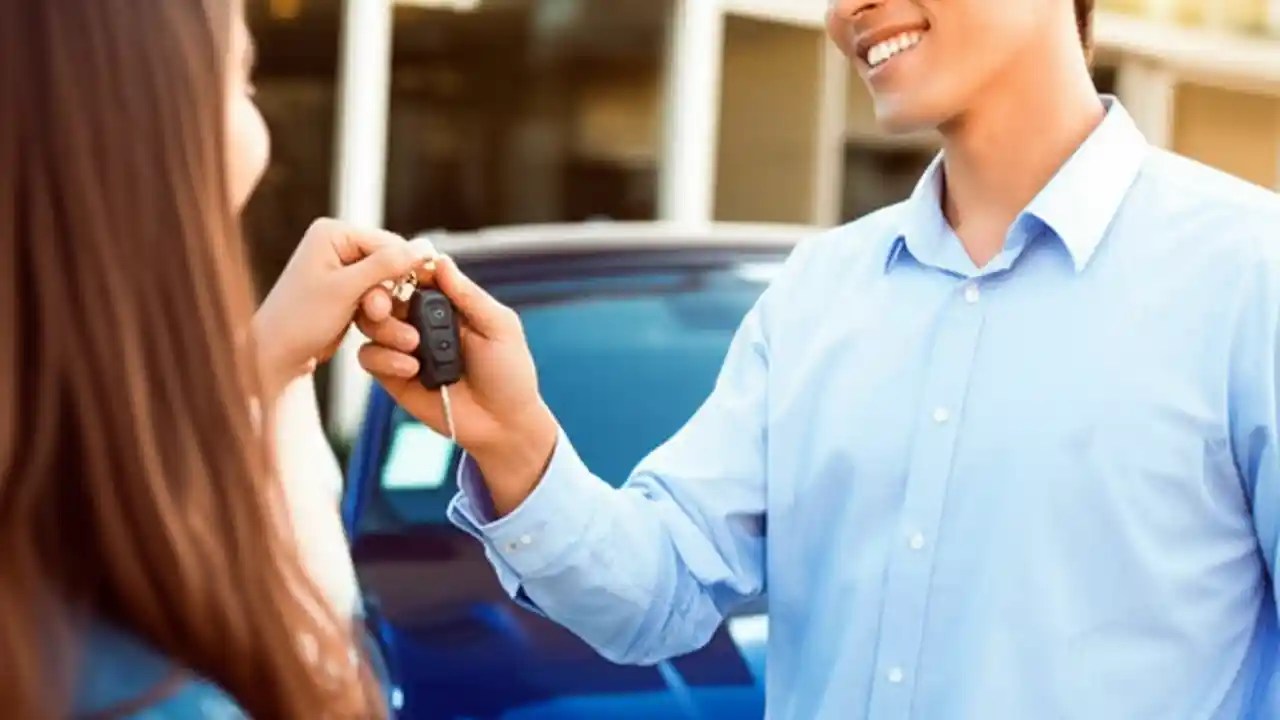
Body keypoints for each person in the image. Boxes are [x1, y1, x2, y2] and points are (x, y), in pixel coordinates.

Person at [360, 0, 1280, 717]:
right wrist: (514, 438)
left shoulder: (1249, 277)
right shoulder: (817, 295)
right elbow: (657, 593)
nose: (849, 13)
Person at [0, 0, 434, 716]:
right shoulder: (151, 691)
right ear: (136, 134)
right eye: (243, 80)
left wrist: (267, 374)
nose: (262, 139)